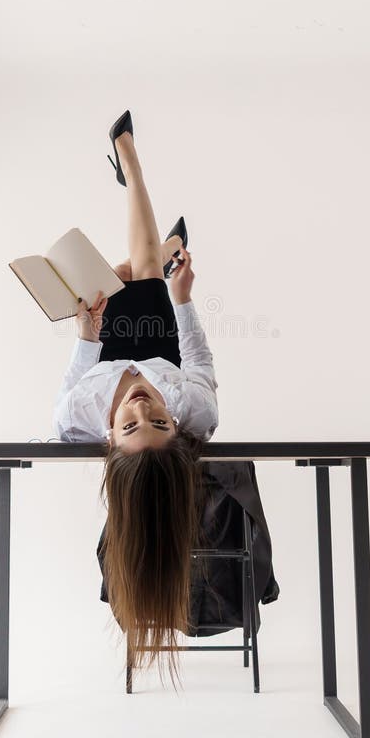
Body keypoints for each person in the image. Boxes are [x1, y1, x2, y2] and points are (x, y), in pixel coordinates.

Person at [52, 111, 279, 691]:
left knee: (125, 270)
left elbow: (75, 385)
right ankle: (131, 164)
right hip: (159, 341)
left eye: (131, 424)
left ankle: (164, 242)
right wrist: (182, 302)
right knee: (148, 271)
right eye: (158, 419)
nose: (142, 406)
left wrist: (86, 336)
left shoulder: (77, 421)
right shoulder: (195, 411)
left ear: (109, 439)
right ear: (176, 427)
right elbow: (198, 363)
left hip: (104, 340)